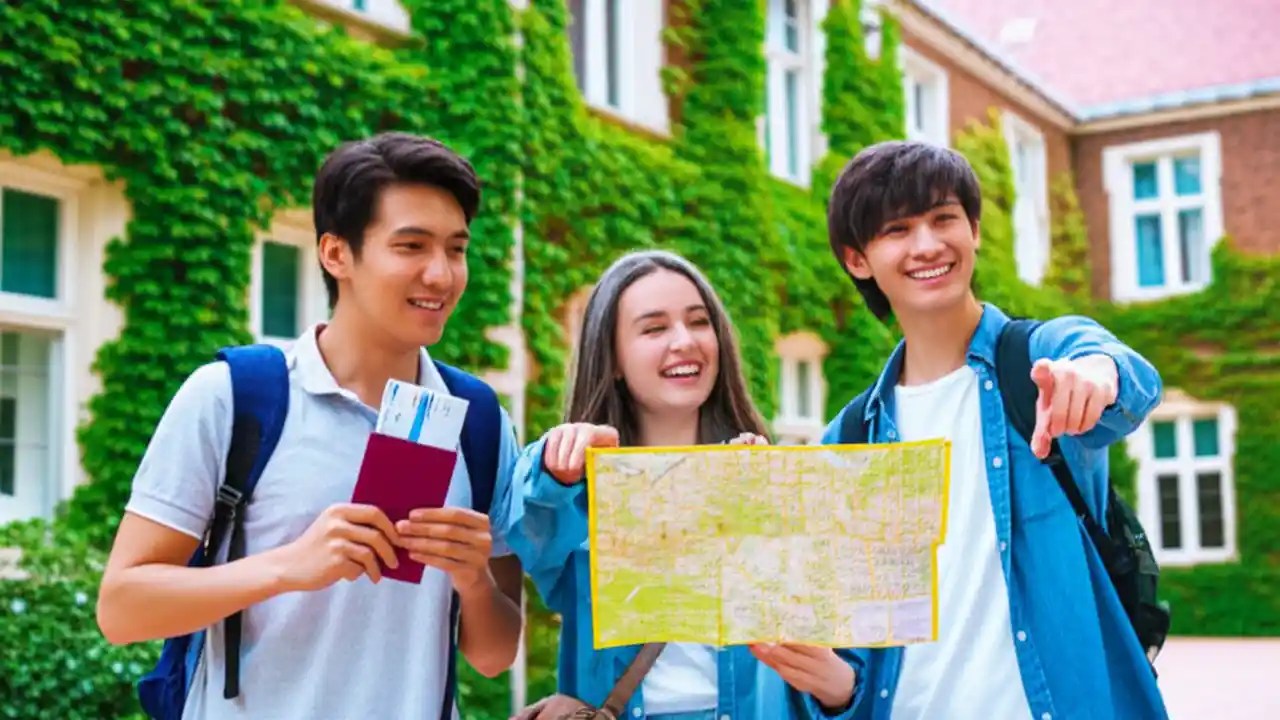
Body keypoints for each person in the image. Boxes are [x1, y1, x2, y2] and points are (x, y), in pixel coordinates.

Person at [96, 132, 523, 719]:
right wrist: (286, 566)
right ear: (335, 253)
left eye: (456, 248)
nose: (441, 275)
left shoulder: (479, 423)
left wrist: (474, 582)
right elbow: (121, 610)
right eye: (411, 246)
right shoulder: (235, 397)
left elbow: (496, 654)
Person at [817, 140, 1168, 719]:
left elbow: (1116, 366)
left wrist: (1095, 376)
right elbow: (852, 644)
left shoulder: (1035, 364)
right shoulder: (849, 437)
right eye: (898, 229)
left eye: (943, 218)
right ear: (858, 259)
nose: (927, 245)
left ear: (974, 229)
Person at [505, 249, 858, 720]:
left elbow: (820, 662)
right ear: (611, 358)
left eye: (698, 322)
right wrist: (556, 463)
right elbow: (527, 526)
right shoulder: (579, 492)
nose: (684, 342)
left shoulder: (769, 478)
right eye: (654, 328)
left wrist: (838, 691)